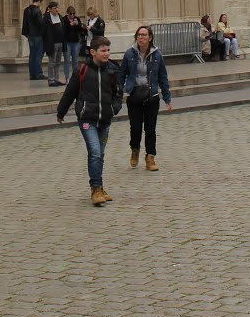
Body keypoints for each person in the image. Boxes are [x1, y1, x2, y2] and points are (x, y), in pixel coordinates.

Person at [55, 36, 122, 207]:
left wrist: (114, 108)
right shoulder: (82, 70)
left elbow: (118, 94)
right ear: (93, 52)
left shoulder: (113, 70)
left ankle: (99, 186)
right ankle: (96, 189)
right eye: (103, 51)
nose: (106, 54)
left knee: (100, 154)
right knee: (94, 151)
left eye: (108, 50)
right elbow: (70, 92)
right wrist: (61, 111)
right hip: (87, 119)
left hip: (105, 119)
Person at [120, 25, 173, 172]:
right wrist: (120, 92)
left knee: (150, 128)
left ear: (150, 38)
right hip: (134, 95)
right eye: (139, 35)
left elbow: (163, 77)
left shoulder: (157, 55)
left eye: (144, 35)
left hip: (152, 96)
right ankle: (135, 149)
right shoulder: (129, 54)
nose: (141, 37)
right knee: (135, 127)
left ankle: (150, 157)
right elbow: (121, 74)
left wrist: (167, 98)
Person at [42, 2, 67, 86]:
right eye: (55, 8)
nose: (57, 9)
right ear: (50, 9)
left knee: (58, 62)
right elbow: (43, 31)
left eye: (57, 8)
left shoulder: (59, 16)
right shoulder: (46, 18)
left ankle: (56, 79)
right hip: (52, 43)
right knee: (52, 63)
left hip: (60, 42)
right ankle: (51, 80)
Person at [21, 0, 45, 81]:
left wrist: (26, 34)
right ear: (39, 1)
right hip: (37, 35)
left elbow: (25, 23)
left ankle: (32, 74)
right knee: (38, 54)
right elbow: (40, 23)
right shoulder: (37, 10)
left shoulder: (26, 10)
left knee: (32, 55)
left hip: (30, 35)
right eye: (41, 3)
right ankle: (38, 74)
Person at [62, 8, 85, 81]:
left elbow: (80, 30)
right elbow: (63, 30)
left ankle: (75, 77)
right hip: (67, 42)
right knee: (67, 60)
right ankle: (67, 77)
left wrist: (78, 25)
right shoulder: (64, 19)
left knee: (75, 60)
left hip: (75, 42)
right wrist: (70, 25)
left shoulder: (76, 18)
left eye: (73, 13)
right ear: (67, 13)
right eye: (70, 13)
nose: (72, 15)